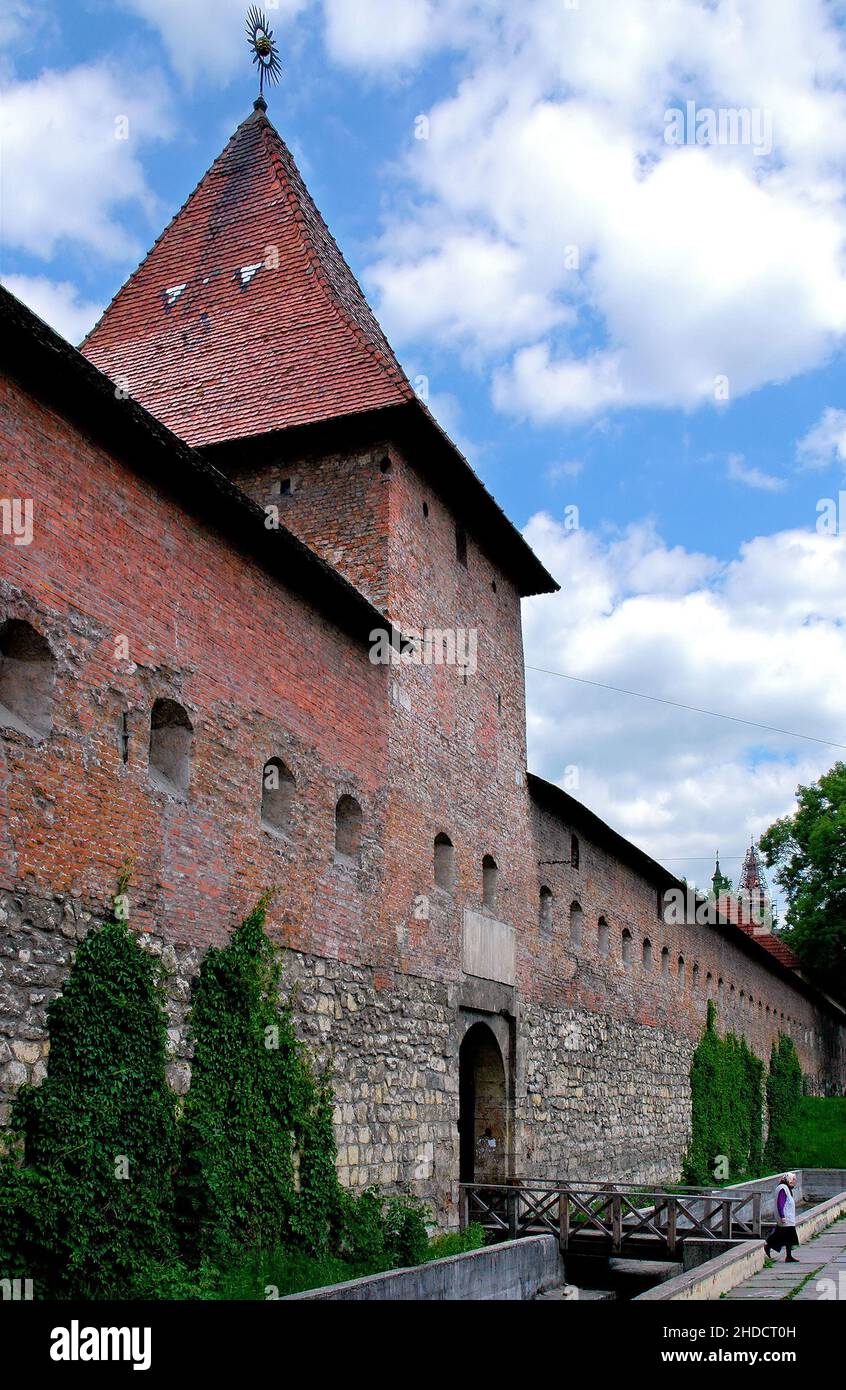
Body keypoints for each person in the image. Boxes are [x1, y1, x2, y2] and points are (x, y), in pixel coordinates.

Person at [764, 1172, 799, 1262]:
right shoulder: (783, 1188)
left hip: (788, 1218)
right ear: (788, 1179)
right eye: (793, 1180)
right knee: (785, 1235)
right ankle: (769, 1245)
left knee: (786, 1236)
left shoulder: (785, 1188)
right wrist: (782, 1216)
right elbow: (780, 1203)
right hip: (786, 1217)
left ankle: (788, 1256)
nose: (794, 1182)